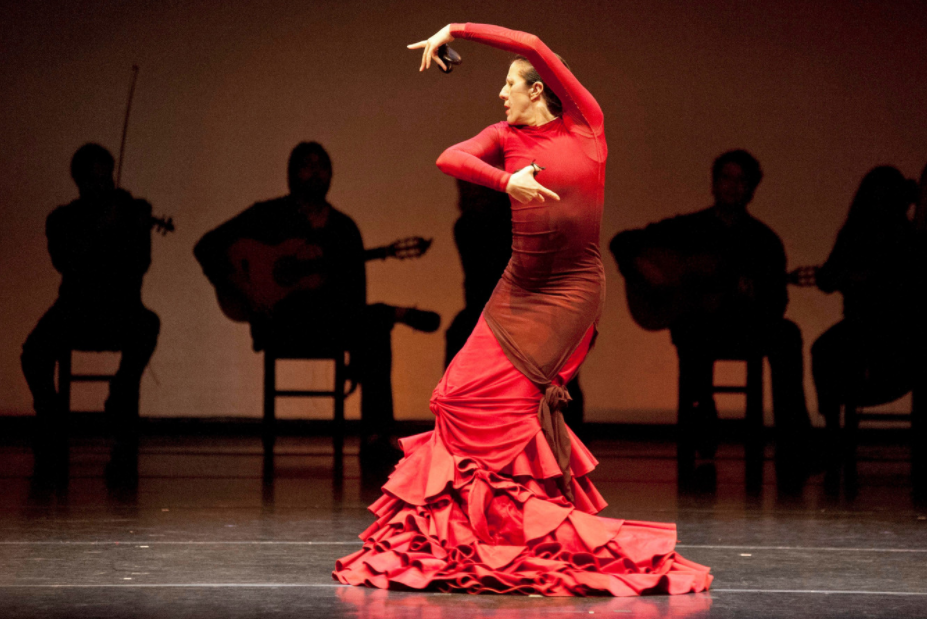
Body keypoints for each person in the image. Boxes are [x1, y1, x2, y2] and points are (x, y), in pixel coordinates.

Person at [333, 23, 711, 596]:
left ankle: (526, 530)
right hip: (518, 287)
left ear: (538, 90)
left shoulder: (587, 127)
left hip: (570, 293)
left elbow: (533, 46)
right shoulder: (504, 136)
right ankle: (480, 532)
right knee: (457, 394)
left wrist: (455, 29)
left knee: (511, 414)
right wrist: (507, 181)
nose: (502, 94)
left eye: (510, 85)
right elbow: (449, 158)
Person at [194, 142, 438, 460]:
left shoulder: (344, 229)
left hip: (331, 323)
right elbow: (206, 246)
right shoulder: (266, 216)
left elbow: (354, 298)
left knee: (374, 325)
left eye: (322, 165)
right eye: (307, 164)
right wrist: (245, 288)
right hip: (281, 322)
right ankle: (394, 312)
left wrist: (355, 359)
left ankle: (377, 436)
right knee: (374, 317)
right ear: (291, 173)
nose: (315, 172)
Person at [610, 151, 812, 473]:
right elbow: (622, 241)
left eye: (741, 181)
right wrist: (646, 270)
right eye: (726, 178)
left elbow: (776, 303)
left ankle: (795, 445)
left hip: (745, 328)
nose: (732, 187)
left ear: (751, 189)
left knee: (787, 334)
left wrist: (751, 297)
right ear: (714, 184)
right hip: (698, 328)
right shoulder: (689, 227)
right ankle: (701, 422)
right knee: (693, 330)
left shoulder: (763, 241)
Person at [21, 143, 161, 482]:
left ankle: (120, 394)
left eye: (107, 179)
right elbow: (64, 261)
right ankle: (50, 412)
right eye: (94, 181)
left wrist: (136, 228)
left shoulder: (132, 211)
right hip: (75, 311)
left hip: (121, 310)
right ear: (79, 183)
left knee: (147, 325)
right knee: (33, 352)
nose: (103, 187)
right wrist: (100, 227)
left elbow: (141, 264)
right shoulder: (62, 219)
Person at [809, 166, 921, 460]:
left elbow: (900, 284)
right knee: (824, 350)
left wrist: (860, 278)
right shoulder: (854, 233)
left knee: (829, 349)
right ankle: (832, 433)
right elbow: (829, 276)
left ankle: (832, 434)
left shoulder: (906, 237)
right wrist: (841, 277)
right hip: (859, 326)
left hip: (898, 330)